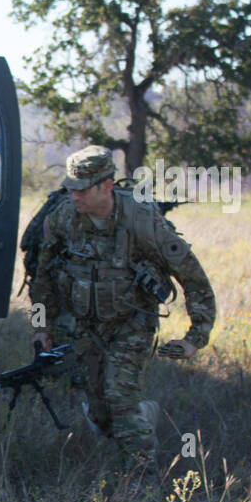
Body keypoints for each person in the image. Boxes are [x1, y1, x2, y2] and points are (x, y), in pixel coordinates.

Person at [28, 145, 216, 468]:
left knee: (120, 399)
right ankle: (143, 417)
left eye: (82, 189)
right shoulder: (64, 217)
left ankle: (142, 483)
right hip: (87, 326)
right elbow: (42, 275)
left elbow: (193, 276)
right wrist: (42, 325)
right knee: (99, 412)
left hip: (132, 324)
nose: (74, 196)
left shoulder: (142, 219)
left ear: (106, 186)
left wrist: (194, 338)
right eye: (71, 188)